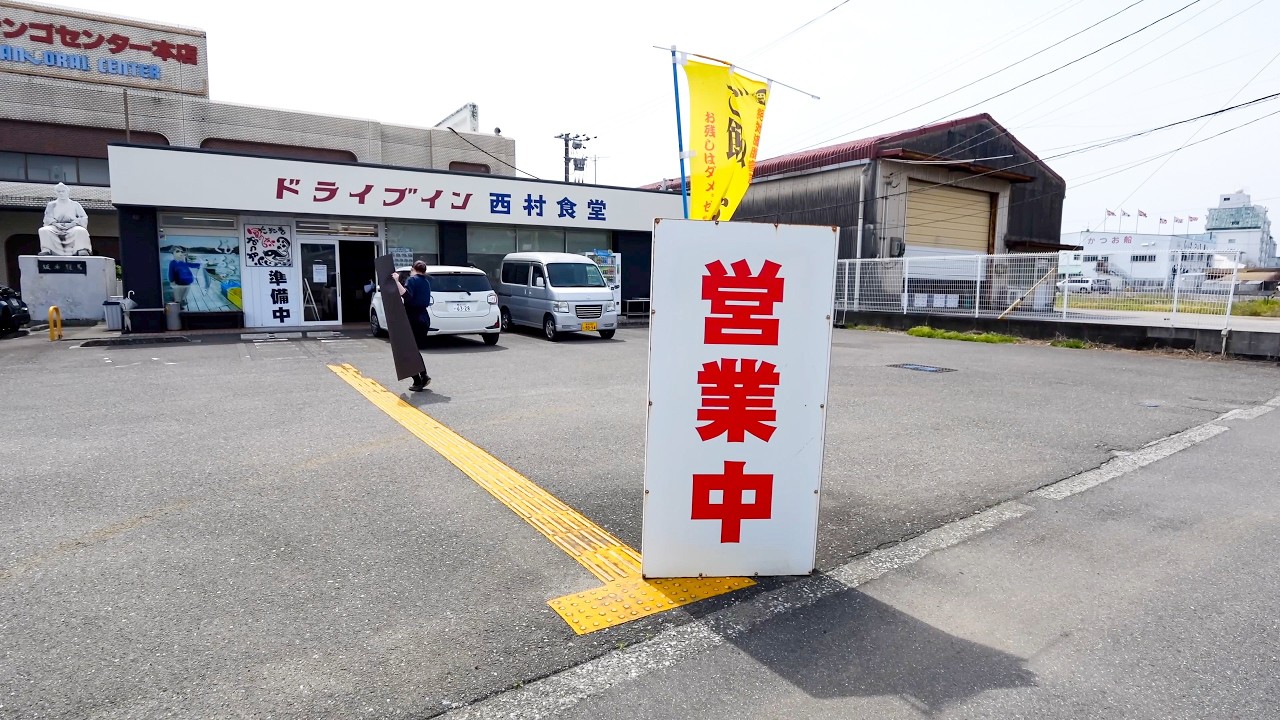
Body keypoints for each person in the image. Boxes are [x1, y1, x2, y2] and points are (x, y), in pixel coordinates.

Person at [392, 260, 433, 391]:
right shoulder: (426, 282)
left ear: (413, 269)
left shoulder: (412, 280)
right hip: (424, 318)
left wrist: (397, 281)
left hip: (412, 318)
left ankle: (418, 380)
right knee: (414, 350)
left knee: (407, 350)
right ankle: (423, 376)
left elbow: (407, 296)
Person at [37, 183, 92, 256]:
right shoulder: (51, 205)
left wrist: (73, 224)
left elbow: (83, 217)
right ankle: (47, 249)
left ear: (67, 192)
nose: (61, 193)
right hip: (56, 227)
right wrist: (56, 224)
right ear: (56, 193)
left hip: (72, 227)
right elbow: (47, 218)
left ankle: (81, 249)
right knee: (44, 230)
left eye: (63, 191)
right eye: (59, 191)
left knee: (80, 231)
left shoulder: (75, 204)